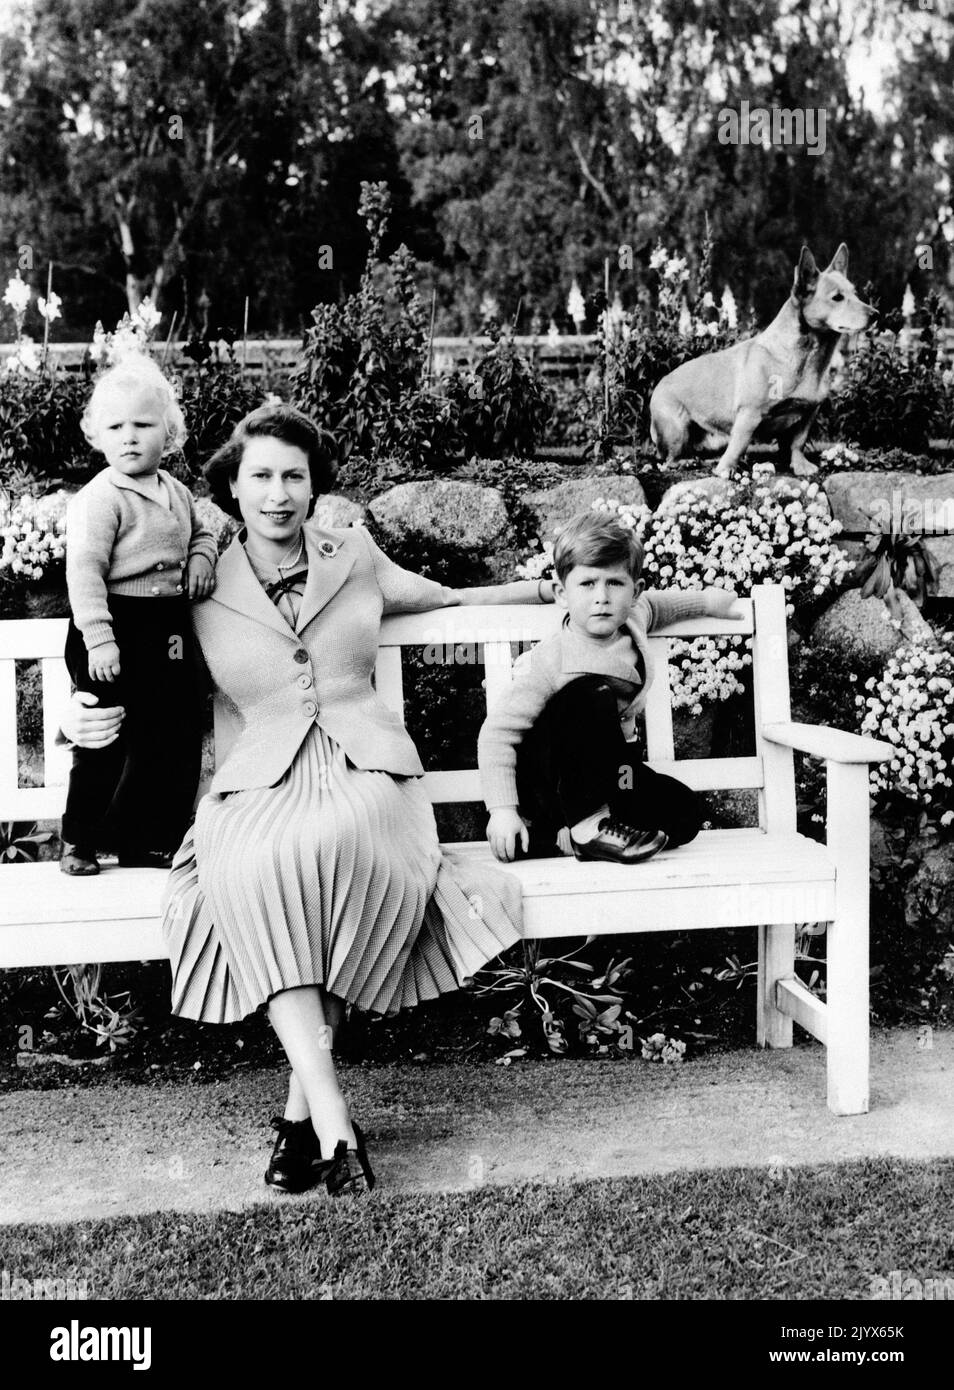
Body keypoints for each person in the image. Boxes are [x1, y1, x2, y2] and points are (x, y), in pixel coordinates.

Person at [64, 402, 555, 1198]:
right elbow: (120, 658)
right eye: (260, 475)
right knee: (270, 865)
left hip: (365, 771)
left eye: (294, 476)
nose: (278, 493)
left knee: (339, 851)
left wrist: (533, 592)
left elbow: (436, 595)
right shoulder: (197, 578)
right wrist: (78, 714)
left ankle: (307, 1121)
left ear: (315, 486)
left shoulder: (353, 554)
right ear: (232, 484)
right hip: (257, 779)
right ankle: (327, 1122)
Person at [478, 510, 744, 866]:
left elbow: (660, 606)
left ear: (634, 591)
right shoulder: (553, 658)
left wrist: (708, 602)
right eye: (587, 584)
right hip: (552, 778)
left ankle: (566, 838)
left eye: (614, 584)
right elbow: (497, 734)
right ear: (561, 593)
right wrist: (503, 811)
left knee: (683, 812)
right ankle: (586, 826)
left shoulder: (633, 618)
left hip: (613, 773)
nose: (601, 597)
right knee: (592, 693)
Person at [60, 354, 217, 876]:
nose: (129, 436)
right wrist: (101, 641)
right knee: (105, 731)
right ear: (97, 436)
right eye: (116, 426)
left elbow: (203, 532)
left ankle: (148, 838)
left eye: (143, 425)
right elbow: (83, 571)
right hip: (109, 624)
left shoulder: (175, 491)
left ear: (168, 433)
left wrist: (200, 557)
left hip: (165, 627)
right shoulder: (100, 498)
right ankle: (80, 839)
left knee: (169, 733)